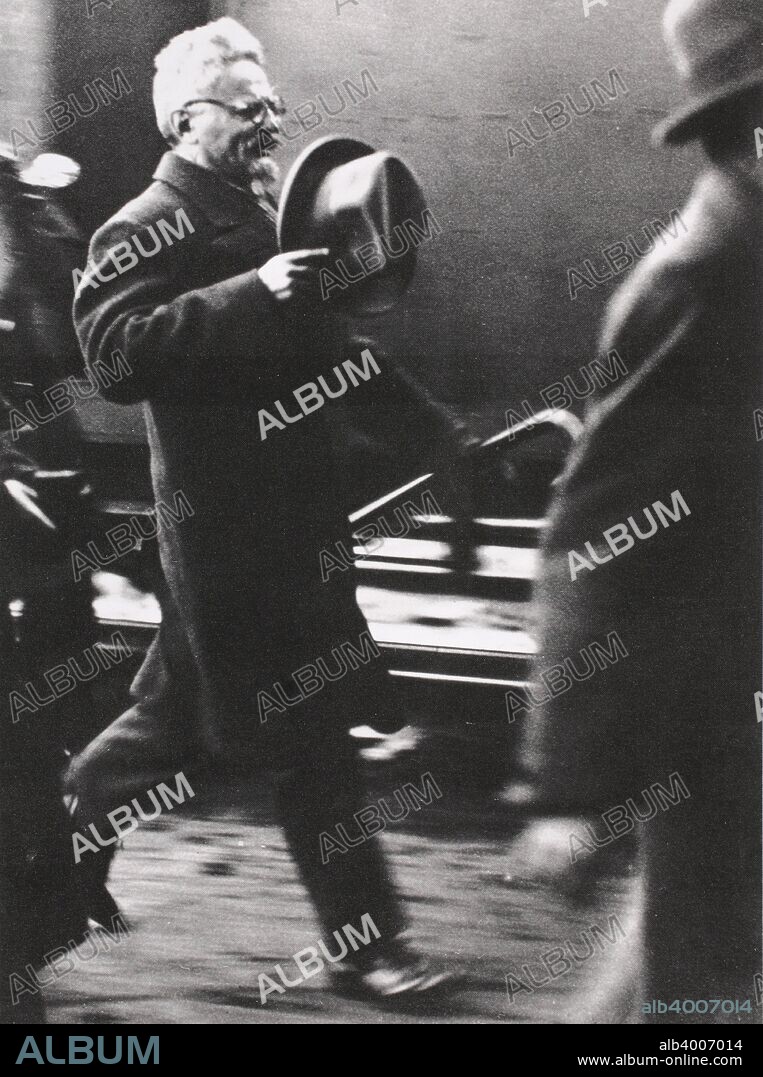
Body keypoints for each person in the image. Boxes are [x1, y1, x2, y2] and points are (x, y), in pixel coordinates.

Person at [68, 17, 474, 1001]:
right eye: (249, 109)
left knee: (171, 729)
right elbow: (115, 357)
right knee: (311, 745)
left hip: (287, 541)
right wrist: (252, 293)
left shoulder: (266, 223)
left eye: (274, 107)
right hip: (228, 546)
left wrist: (436, 436)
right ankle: (367, 947)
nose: (270, 123)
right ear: (187, 119)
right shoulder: (145, 223)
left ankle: (58, 855)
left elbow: (337, 354)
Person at [504, 0, 762, 1021]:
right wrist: (566, 788)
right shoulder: (701, 279)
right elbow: (592, 535)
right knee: (701, 978)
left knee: (691, 953)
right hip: (709, 701)